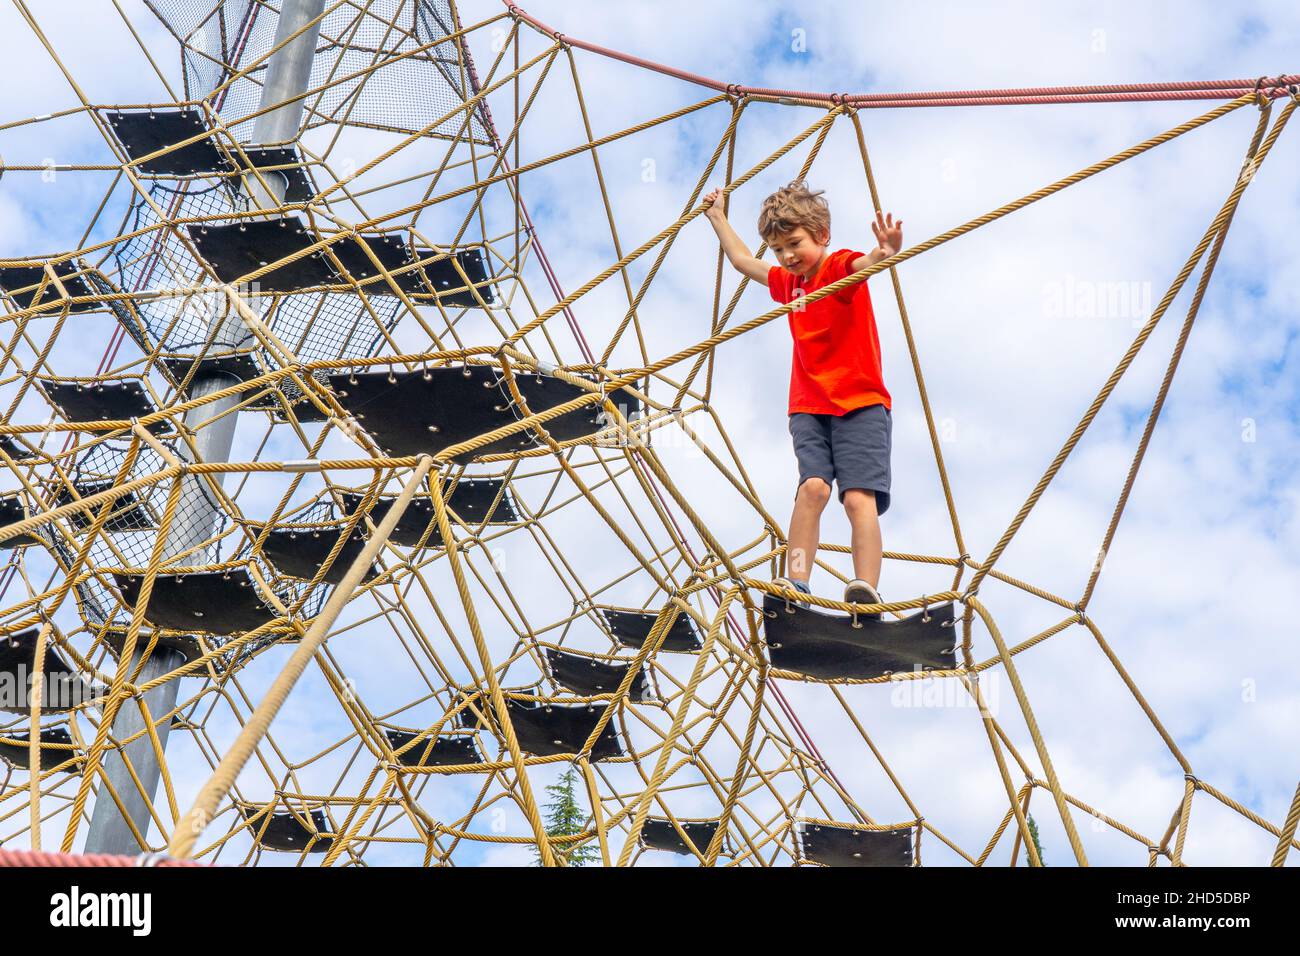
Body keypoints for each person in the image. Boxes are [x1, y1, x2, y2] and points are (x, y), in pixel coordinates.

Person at [702, 179, 901, 612]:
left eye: (794, 244)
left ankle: (865, 589)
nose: (788, 257)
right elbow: (740, 261)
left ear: (822, 236)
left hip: (860, 402)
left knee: (856, 497)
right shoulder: (790, 285)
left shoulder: (835, 269)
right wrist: (717, 217)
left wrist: (883, 254)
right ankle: (797, 581)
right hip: (809, 405)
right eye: (778, 250)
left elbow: (862, 266)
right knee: (812, 489)